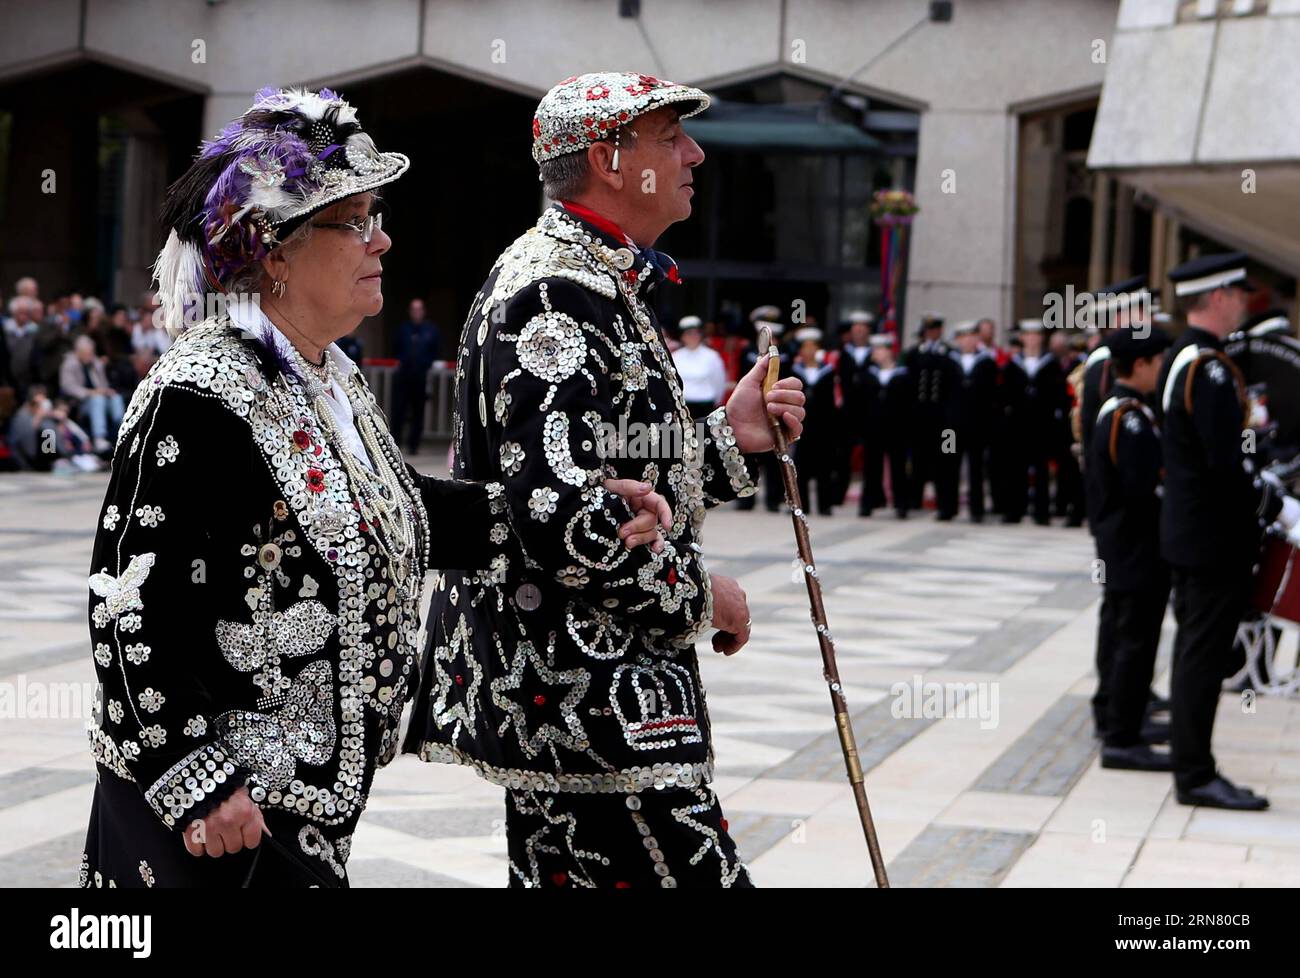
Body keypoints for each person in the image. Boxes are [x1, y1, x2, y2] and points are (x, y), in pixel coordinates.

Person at [78, 86, 677, 889]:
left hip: (306, 807)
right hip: (217, 822)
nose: (383, 240)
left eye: (376, 216)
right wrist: (197, 777)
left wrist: (584, 508)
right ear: (273, 252)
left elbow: (402, 512)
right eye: (354, 221)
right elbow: (128, 603)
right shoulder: (198, 394)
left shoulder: (327, 377)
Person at [402, 71, 806, 889]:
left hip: (604, 701)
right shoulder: (554, 291)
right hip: (587, 702)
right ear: (610, 159)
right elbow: (561, 516)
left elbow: (618, 470)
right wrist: (703, 597)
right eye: (670, 137)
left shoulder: (601, 281)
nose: (694, 154)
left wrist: (730, 440)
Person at [1159, 252, 1300, 810]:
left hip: (1199, 535)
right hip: (1210, 539)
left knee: (1200, 651)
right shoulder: (1208, 368)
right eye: (1239, 295)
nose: (1244, 303)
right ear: (1217, 298)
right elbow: (1226, 465)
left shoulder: (1194, 359)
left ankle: (1193, 766)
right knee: (1202, 653)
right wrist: (1278, 505)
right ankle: (1194, 774)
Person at [1086, 325, 1172, 771]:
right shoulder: (1127, 417)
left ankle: (1130, 719)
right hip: (1133, 549)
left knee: (1134, 639)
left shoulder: (1130, 411)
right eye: (1158, 362)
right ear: (1139, 365)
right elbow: (1144, 490)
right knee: (1133, 642)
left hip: (1131, 547)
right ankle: (1121, 737)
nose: (1162, 369)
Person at [736, 309, 792, 513]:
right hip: (750, 408)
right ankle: (745, 498)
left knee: (775, 454)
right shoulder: (749, 350)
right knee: (746, 455)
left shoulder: (785, 352)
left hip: (776, 405)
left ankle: (773, 499)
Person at [904, 313, 959, 519]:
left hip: (942, 419)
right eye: (928, 330)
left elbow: (954, 389)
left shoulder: (948, 354)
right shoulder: (914, 354)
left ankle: (946, 506)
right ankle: (913, 500)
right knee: (918, 458)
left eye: (935, 330)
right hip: (919, 417)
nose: (931, 334)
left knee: (944, 462)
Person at [950, 320, 998, 522]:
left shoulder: (986, 362)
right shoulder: (948, 361)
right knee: (949, 463)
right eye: (964, 336)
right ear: (958, 339)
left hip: (977, 424)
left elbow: (992, 395)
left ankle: (976, 509)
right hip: (950, 428)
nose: (968, 340)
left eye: (972, 336)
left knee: (976, 467)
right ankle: (947, 507)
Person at [863, 333, 912, 518]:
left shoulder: (903, 374)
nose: (875, 353)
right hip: (874, 427)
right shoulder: (868, 374)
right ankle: (868, 502)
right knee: (872, 466)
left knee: (898, 466)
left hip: (896, 429)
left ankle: (901, 504)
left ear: (889, 351)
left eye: (879, 349)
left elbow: (908, 404)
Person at [792, 326, 837, 515]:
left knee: (823, 466)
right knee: (800, 467)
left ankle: (825, 505)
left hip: (823, 426)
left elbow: (832, 401)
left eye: (813, 346)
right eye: (805, 347)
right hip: (801, 425)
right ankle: (801, 505)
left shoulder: (827, 371)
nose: (809, 351)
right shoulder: (794, 370)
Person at [835, 310, 876, 510]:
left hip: (869, 411)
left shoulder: (875, 352)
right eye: (855, 328)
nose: (858, 331)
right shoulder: (843, 353)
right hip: (848, 412)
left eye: (862, 328)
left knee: (870, 457)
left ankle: (868, 501)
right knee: (843, 454)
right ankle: (838, 494)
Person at [390, 298, 440, 454]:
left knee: (418, 412)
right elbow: (395, 348)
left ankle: (414, 445)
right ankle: (395, 443)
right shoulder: (403, 330)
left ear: (423, 312)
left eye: (419, 309)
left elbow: (435, 350)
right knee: (398, 410)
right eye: (414, 309)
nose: (416, 313)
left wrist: (426, 363)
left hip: (420, 376)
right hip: (403, 375)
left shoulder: (430, 331)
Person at [59, 334, 124, 452]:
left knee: (116, 397)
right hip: (80, 403)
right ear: (78, 352)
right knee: (97, 399)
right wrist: (92, 392)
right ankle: (99, 438)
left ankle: (122, 430)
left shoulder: (96, 363)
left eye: (91, 352)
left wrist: (106, 391)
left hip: (101, 398)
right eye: (87, 353)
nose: (90, 356)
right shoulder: (69, 364)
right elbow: (68, 387)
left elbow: (103, 384)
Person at [672, 314, 728, 419]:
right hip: (683, 405)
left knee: (702, 434)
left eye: (696, 333)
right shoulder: (675, 356)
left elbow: (719, 381)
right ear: (682, 336)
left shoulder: (712, 356)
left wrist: (717, 401)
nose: (693, 337)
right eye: (689, 333)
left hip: (705, 405)